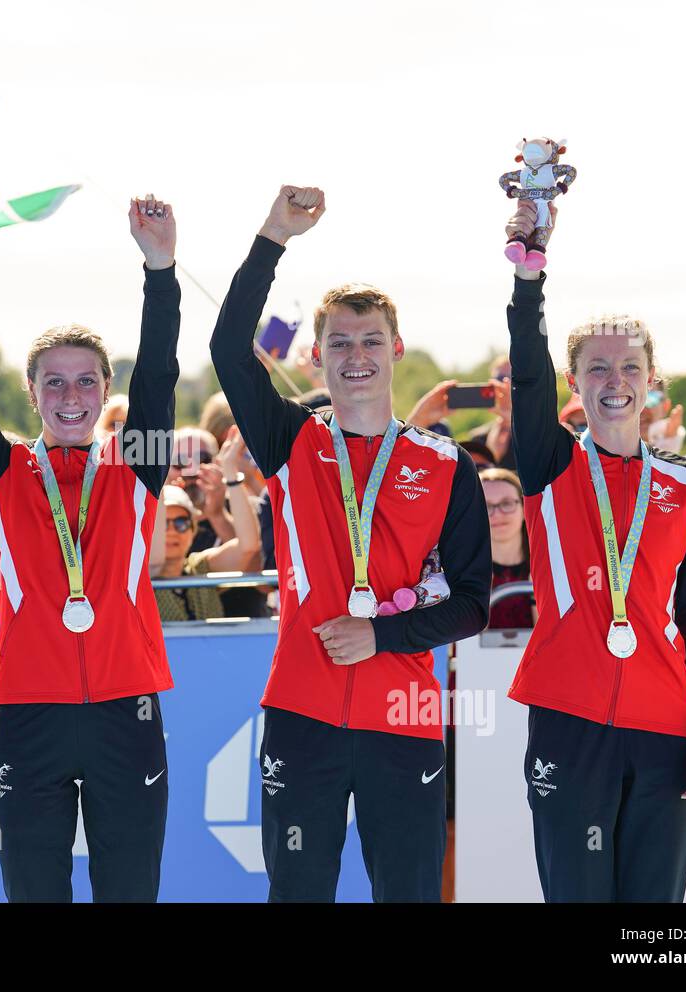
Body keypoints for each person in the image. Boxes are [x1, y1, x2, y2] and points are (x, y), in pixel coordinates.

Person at [210, 185, 491, 903]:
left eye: (370, 340)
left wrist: (382, 635)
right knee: (298, 890)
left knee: (409, 891)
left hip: (405, 715)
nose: (356, 356)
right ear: (317, 357)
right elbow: (226, 347)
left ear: (395, 349)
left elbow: (471, 605)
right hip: (303, 711)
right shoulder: (291, 440)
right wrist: (273, 236)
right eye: (339, 342)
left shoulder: (444, 463)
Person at [0, 192, 180, 902]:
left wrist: (160, 269)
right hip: (30, 717)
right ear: (32, 394)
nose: (70, 396)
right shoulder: (0, 473)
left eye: (85, 382)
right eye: (54, 382)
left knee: (129, 891)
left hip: (125, 712)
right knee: (34, 892)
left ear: (107, 390)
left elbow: (162, 376)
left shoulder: (135, 463)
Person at [503, 197, 686, 903]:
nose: (614, 381)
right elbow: (526, 368)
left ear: (652, 381)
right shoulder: (549, 463)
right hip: (571, 725)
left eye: (629, 367)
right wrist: (529, 277)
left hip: (666, 730)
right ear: (575, 385)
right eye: (596, 368)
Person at [153, 431, 261, 622]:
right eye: (180, 462)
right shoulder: (136, 571)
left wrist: (218, 512)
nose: (192, 470)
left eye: (181, 523)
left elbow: (250, 551)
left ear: (193, 529)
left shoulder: (198, 567)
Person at [479, 467, 534, 629]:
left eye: (507, 503)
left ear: (525, 508)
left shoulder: (551, 567)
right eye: (487, 506)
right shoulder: (459, 572)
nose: (497, 514)